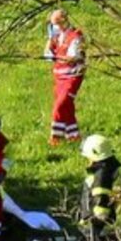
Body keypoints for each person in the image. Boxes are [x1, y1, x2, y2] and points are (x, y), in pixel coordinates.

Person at [45, 8, 86, 144]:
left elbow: (73, 57)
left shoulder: (75, 36)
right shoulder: (56, 37)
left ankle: (56, 136)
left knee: (60, 104)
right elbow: (48, 54)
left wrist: (60, 58)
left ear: (63, 21)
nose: (54, 27)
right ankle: (73, 135)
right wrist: (49, 47)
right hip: (59, 77)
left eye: (55, 24)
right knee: (67, 106)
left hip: (72, 76)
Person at [80, 133, 121, 234]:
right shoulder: (108, 170)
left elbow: (100, 200)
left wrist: (94, 224)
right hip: (102, 225)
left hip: (97, 228)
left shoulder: (101, 175)